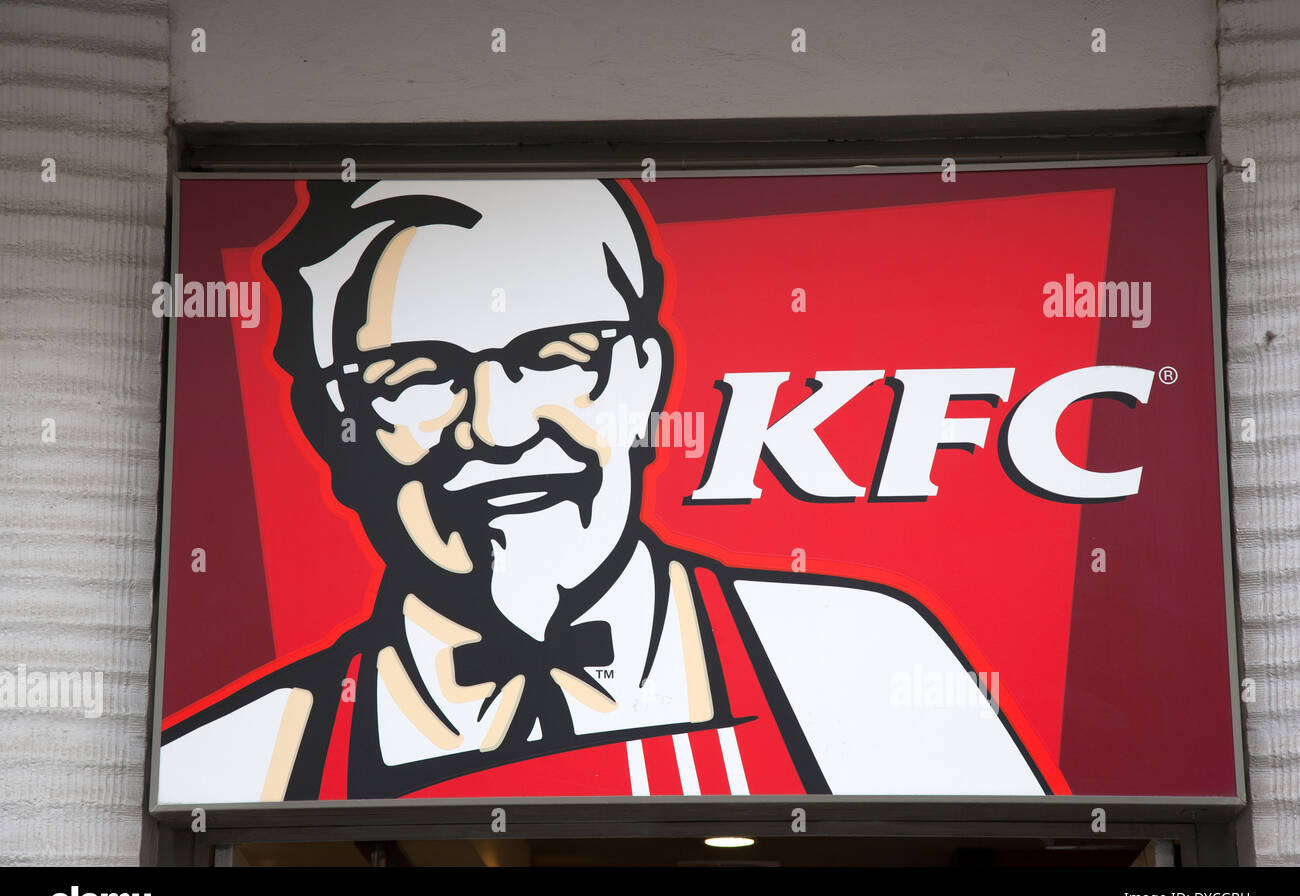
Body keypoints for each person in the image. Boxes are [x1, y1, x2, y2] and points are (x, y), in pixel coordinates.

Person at [157, 178, 1047, 803]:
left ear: (646, 380)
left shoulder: (857, 661)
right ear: (332, 427)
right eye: (417, 374)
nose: (500, 428)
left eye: (557, 357)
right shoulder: (241, 763)